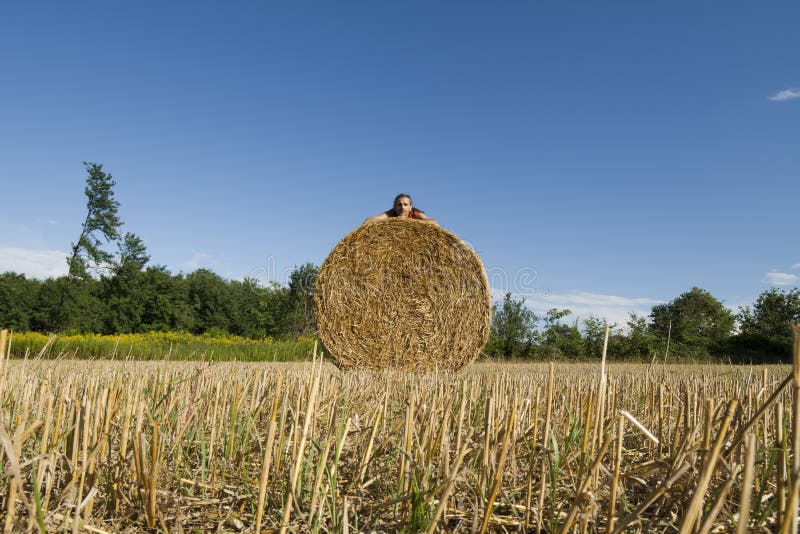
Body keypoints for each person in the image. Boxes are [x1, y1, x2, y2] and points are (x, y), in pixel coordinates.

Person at [365, 194, 437, 225]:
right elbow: (369, 220)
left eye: (405, 205)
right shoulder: (390, 213)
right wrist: (393, 221)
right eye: (399, 205)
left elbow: (433, 222)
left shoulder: (415, 213)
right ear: (394, 207)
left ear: (410, 207)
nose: (402, 207)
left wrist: (413, 222)